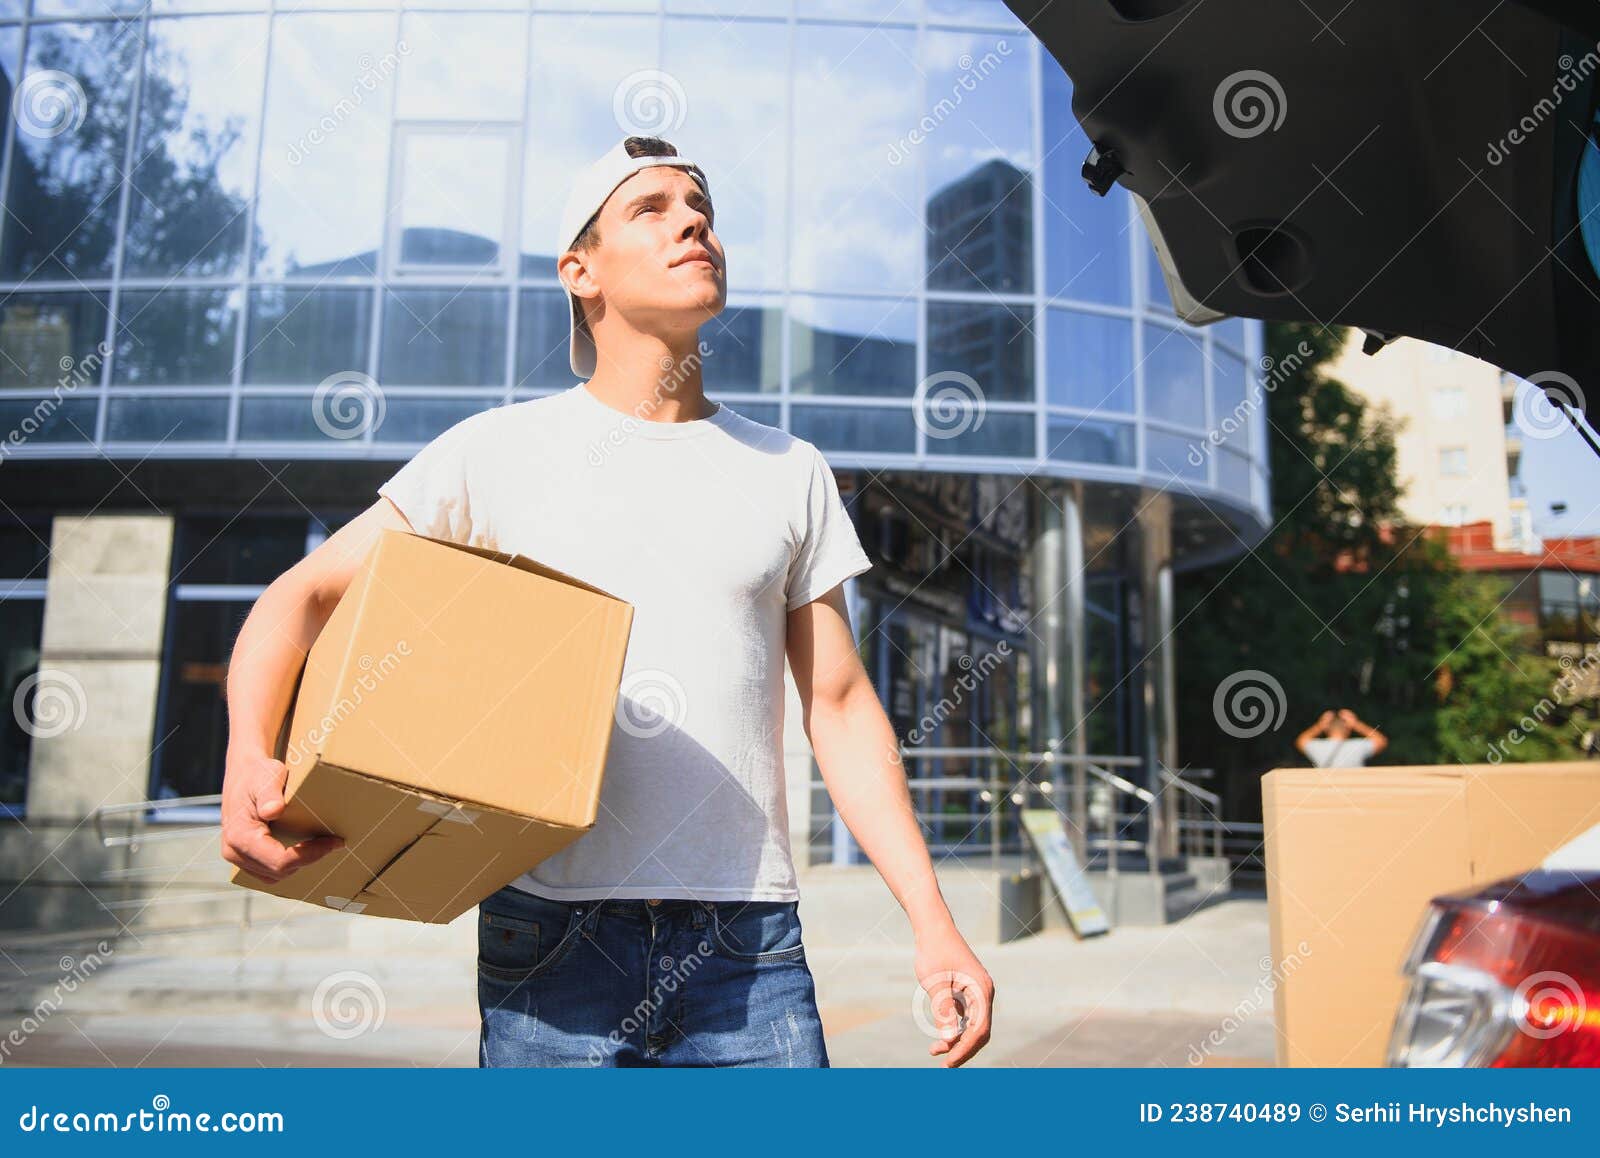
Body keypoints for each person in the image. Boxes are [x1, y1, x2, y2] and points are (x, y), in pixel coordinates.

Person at [219, 135, 994, 1069]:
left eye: (701, 208)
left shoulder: (790, 469)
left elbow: (838, 705)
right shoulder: (497, 452)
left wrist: (934, 923)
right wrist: (249, 751)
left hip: (748, 950)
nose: (693, 223)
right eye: (651, 208)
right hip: (551, 944)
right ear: (579, 271)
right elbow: (299, 598)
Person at [1295, 708, 1388, 768]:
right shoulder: (1357, 746)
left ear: (1327, 729)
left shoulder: (1318, 747)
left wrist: (1320, 725)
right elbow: (1381, 741)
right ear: (1348, 729)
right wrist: (1356, 724)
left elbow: (1301, 741)